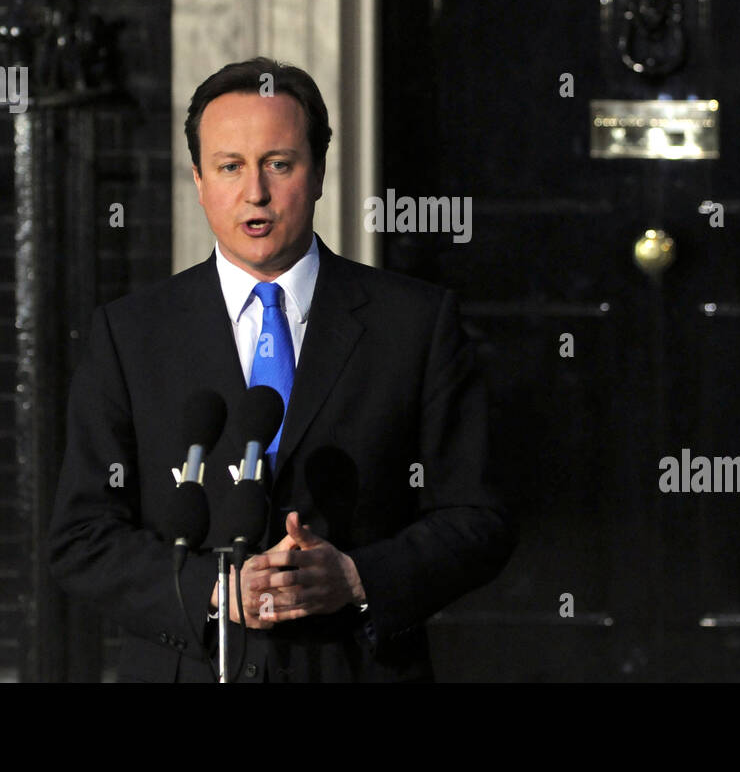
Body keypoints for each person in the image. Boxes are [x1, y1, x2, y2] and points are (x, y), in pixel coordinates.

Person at [48, 56, 515, 682]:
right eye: (230, 167)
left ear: (319, 172)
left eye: (279, 164)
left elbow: (478, 519)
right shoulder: (130, 334)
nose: (255, 193)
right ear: (198, 179)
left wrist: (354, 578)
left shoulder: (416, 323)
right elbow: (81, 536)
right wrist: (215, 590)